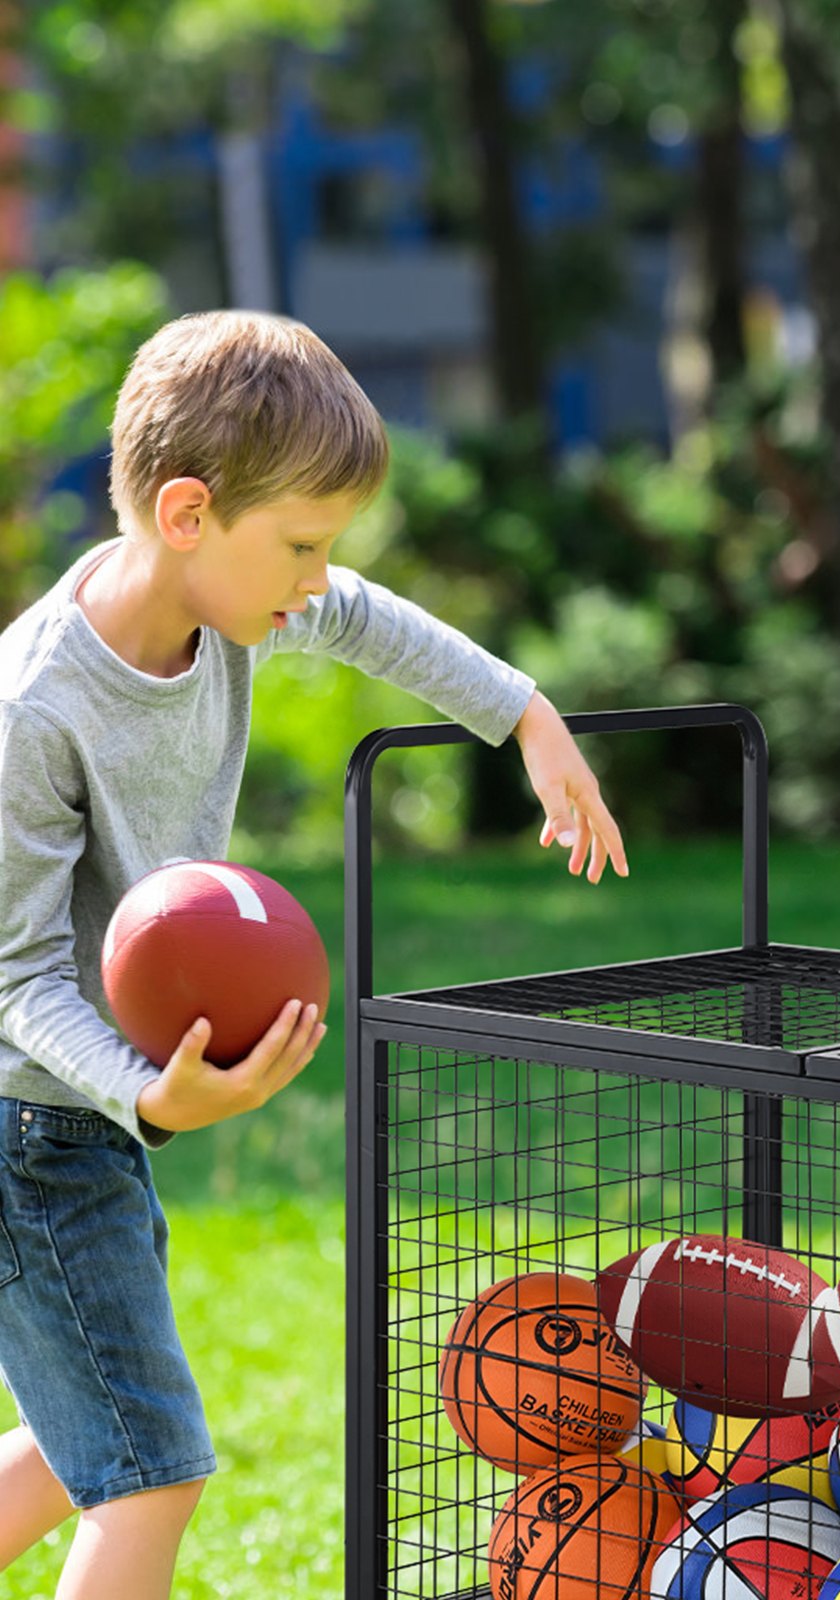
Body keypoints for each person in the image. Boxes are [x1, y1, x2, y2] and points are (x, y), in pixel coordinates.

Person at [0, 311, 627, 1597]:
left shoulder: (234, 608)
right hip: (31, 1126)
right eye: (300, 544)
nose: (316, 577)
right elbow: (13, 978)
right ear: (186, 515)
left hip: (87, 1122)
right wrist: (144, 1093)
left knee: (85, 1442)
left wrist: (523, 713)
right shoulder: (36, 709)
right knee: (149, 1469)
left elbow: (371, 622)